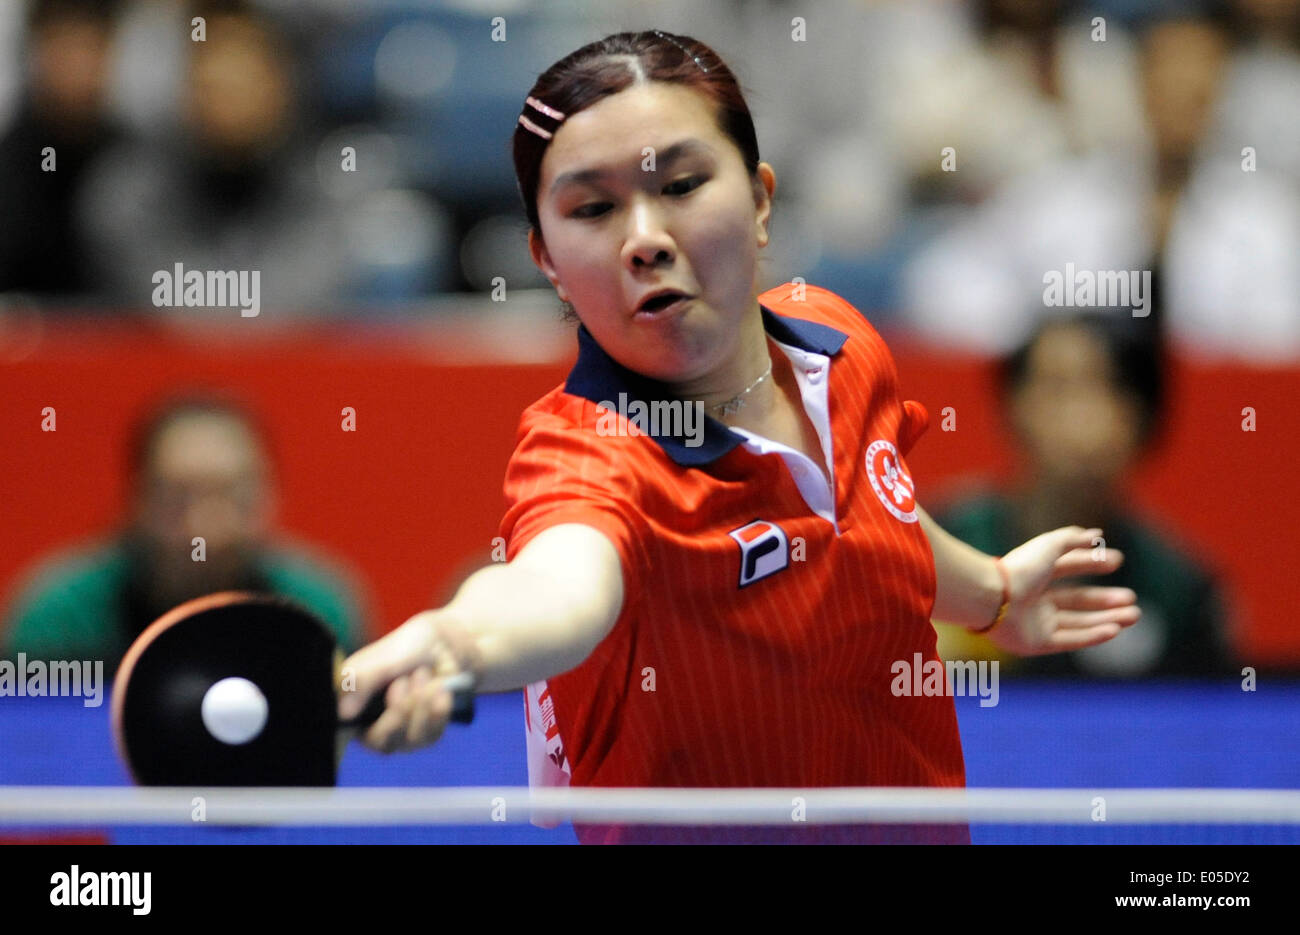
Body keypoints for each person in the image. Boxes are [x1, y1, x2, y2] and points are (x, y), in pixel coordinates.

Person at [337, 30, 1140, 845]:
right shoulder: (589, 456)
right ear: (546, 259)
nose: (644, 238)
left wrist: (990, 590)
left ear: (760, 200)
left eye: (682, 184)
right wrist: (454, 643)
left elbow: (869, 517)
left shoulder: (841, 344)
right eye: (593, 209)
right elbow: (556, 589)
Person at [931, 313, 1239, 678]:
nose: (1084, 414)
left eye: (1109, 388)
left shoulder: (1180, 589)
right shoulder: (938, 543)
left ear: (1144, 415)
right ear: (1012, 403)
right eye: (1059, 388)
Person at [2, 392, 368, 674]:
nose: (204, 527)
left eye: (234, 496)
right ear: (137, 499)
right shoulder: (60, 618)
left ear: (271, 495)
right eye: (178, 498)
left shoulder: (317, 610)